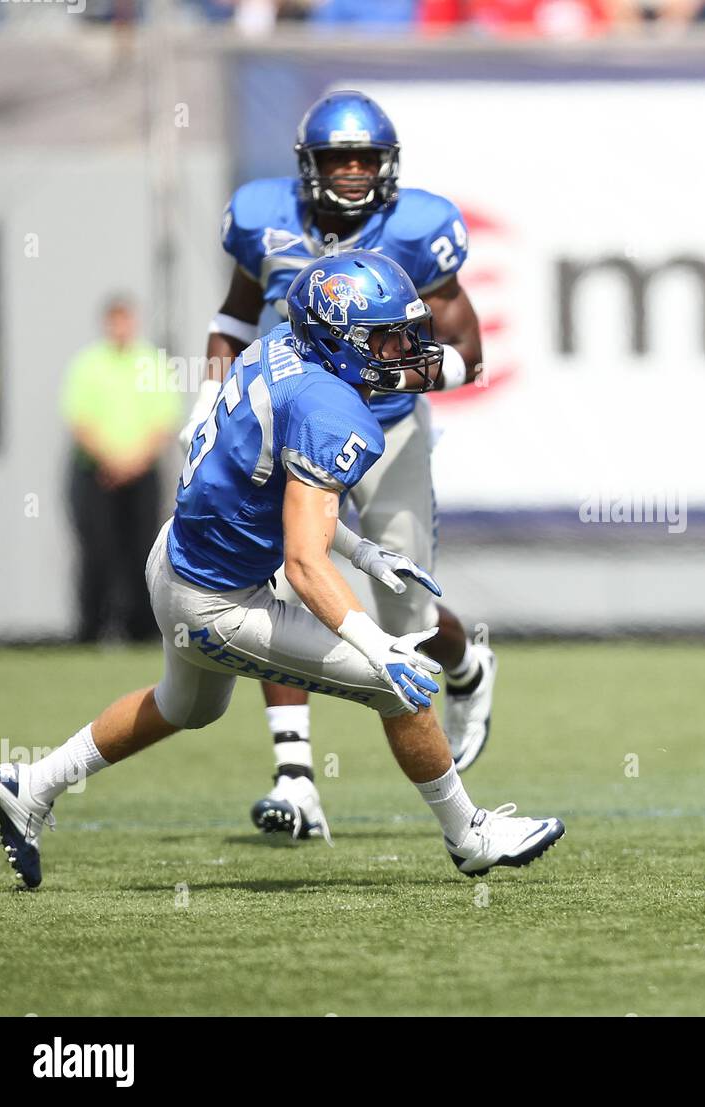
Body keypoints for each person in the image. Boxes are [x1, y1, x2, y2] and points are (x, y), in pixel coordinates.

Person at [0, 251, 564, 890]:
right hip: (216, 601)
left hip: (177, 556)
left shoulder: (282, 347)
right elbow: (302, 559)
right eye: (384, 335)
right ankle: (469, 834)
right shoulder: (331, 408)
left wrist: (366, 552)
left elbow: (277, 496)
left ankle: (30, 785)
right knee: (400, 683)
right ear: (340, 340)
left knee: (183, 705)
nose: (404, 348)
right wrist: (379, 646)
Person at [180, 91, 494, 844]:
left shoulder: (418, 229)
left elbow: (470, 355)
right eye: (336, 159)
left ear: (386, 168)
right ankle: (295, 777)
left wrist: (391, 378)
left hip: (384, 432)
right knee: (283, 581)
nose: (351, 174)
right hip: (293, 424)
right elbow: (232, 317)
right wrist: (207, 401)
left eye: (363, 159)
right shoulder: (265, 217)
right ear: (307, 165)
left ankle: (469, 665)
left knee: (407, 619)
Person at [62, 296, 179, 643]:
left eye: (126, 321)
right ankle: (91, 630)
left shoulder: (150, 362)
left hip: (142, 474)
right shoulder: (88, 364)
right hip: (97, 474)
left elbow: (165, 419)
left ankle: (142, 630)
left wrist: (134, 462)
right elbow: (79, 420)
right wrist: (112, 461)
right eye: (115, 321)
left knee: (143, 550)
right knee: (98, 550)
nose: (121, 328)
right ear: (106, 324)